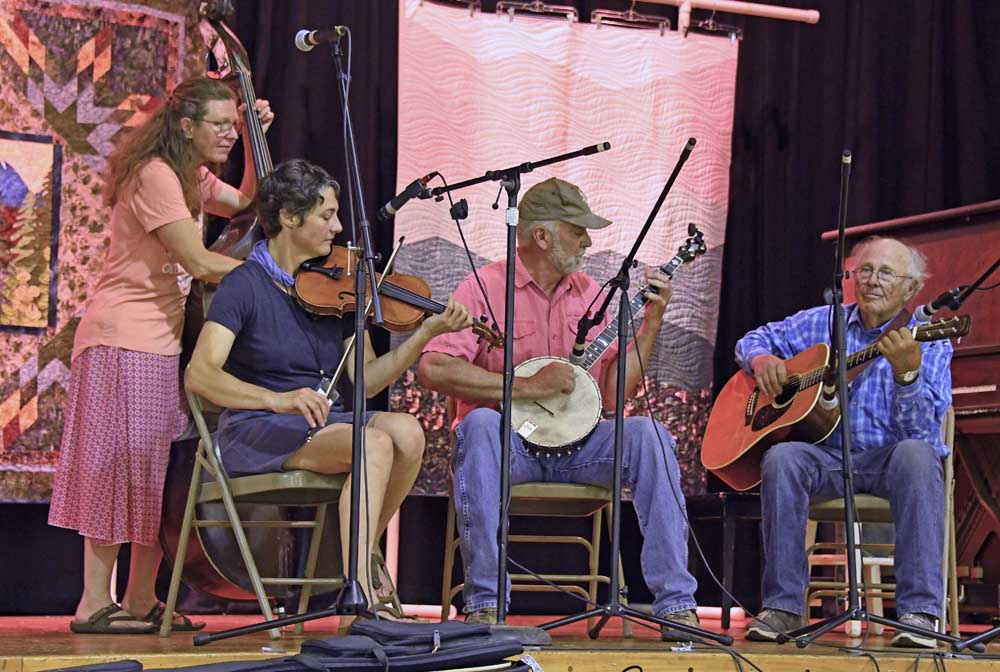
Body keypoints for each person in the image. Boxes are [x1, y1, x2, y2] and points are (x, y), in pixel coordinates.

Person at [185, 159, 472, 617]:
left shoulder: (329, 285)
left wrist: (423, 334)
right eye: (326, 215)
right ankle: (359, 590)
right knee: (373, 443)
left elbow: (368, 380)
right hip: (257, 427)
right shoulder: (244, 283)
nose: (338, 228)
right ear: (288, 217)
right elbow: (200, 376)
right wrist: (277, 399)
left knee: (408, 432)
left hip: (317, 423)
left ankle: (365, 555)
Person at [417, 177, 700, 639]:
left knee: (650, 434)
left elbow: (612, 395)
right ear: (542, 236)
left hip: (584, 449)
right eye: (577, 230)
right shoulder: (485, 287)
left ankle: (676, 605)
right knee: (481, 424)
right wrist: (524, 385)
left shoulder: (593, 293)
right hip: (511, 449)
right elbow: (433, 369)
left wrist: (651, 324)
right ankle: (486, 602)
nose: (588, 240)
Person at [48, 76, 274, 633]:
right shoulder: (154, 175)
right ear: (186, 126)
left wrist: (255, 139)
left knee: (154, 472)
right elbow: (199, 261)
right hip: (125, 338)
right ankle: (94, 604)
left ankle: (140, 601)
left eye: (233, 124)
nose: (228, 133)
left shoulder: (187, 174)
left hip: (158, 342)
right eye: (220, 125)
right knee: (115, 471)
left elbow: (246, 202)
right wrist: (275, 276)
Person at [736, 237, 953, 648]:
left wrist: (908, 376)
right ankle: (782, 607)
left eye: (886, 273)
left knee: (918, 456)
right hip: (829, 460)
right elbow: (754, 338)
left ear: (911, 288)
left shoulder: (931, 340)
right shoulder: (824, 322)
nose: (872, 281)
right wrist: (762, 360)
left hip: (888, 463)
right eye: (864, 271)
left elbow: (921, 434)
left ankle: (919, 614)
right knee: (783, 456)